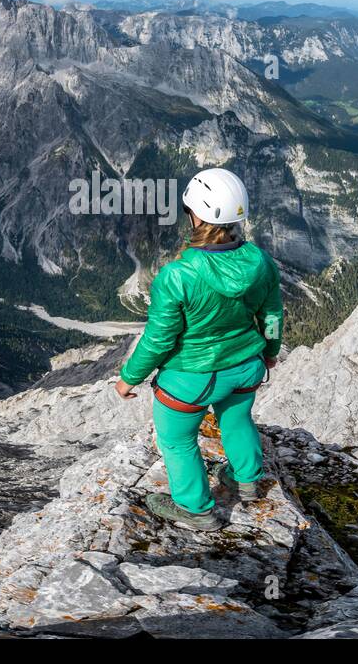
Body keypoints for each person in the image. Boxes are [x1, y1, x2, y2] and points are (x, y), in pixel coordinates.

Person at [114, 167, 283, 532]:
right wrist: (270, 351)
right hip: (245, 367)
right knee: (236, 418)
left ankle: (196, 509)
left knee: (177, 440)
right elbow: (272, 316)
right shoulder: (260, 262)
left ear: (194, 214)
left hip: (190, 378)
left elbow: (159, 339)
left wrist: (129, 378)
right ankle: (248, 480)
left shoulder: (177, 275)